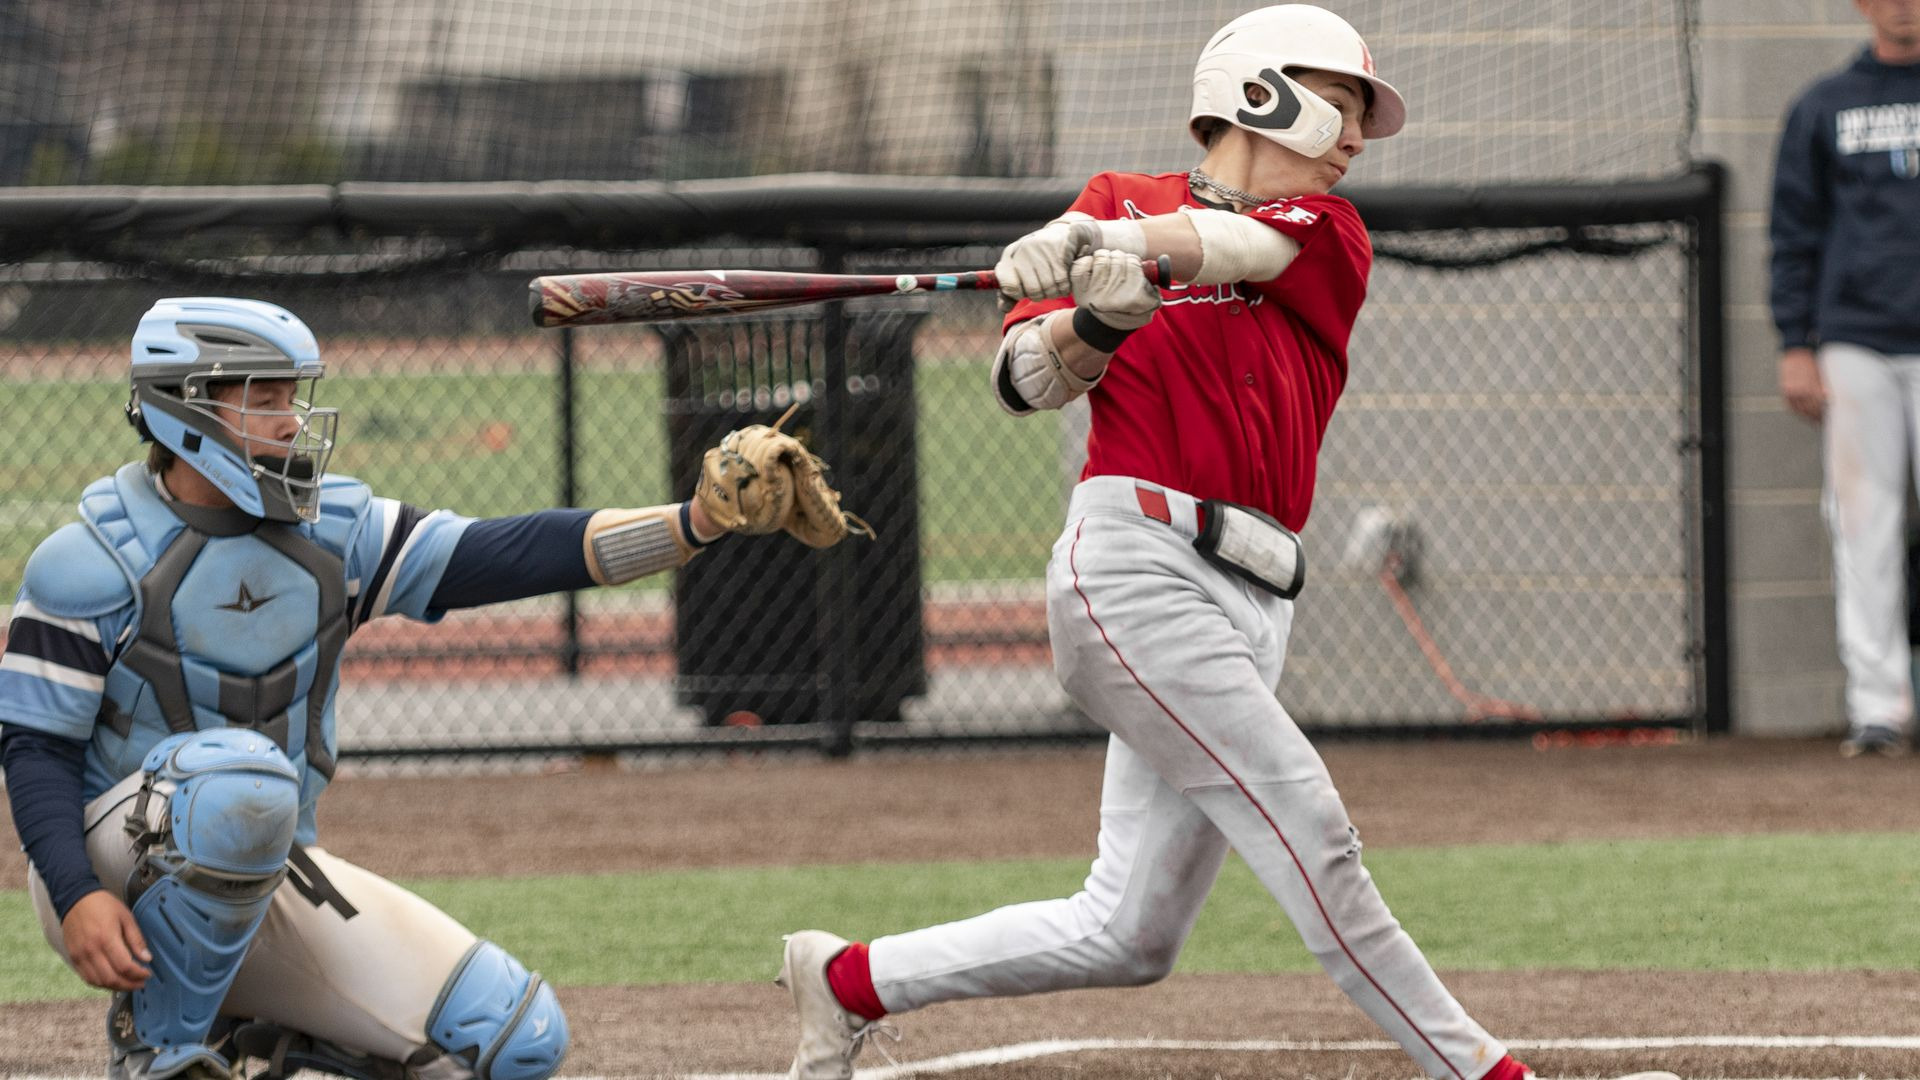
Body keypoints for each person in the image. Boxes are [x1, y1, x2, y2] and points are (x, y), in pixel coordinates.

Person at [772, 8, 1683, 1080]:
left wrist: (1108, 249)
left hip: (1255, 595)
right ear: (1261, 92)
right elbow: (1024, 383)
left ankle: (846, 982)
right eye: (1338, 106)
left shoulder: (1325, 229)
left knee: (1130, 932)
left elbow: (1242, 245)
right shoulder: (1116, 197)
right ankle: (1487, 1074)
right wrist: (1093, 322)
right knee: (1311, 822)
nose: (1356, 137)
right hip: (1134, 567)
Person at [0, 296, 852, 1080]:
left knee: (510, 1039)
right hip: (109, 876)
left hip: (265, 868)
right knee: (240, 780)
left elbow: (505, 554)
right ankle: (158, 1047)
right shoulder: (92, 560)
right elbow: (34, 751)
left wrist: (695, 522)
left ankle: (263, 1041)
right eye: (264, 400)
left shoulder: (331, 532)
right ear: (186, 410)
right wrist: (76, 897)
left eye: (293, 397)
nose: (292, 420)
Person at [1771, 0, 1920, 759]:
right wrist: (1795, 344)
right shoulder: (1822, 105)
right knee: (1864, 522)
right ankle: (1879, 707)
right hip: (1856, 341)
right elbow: (1793, 232)